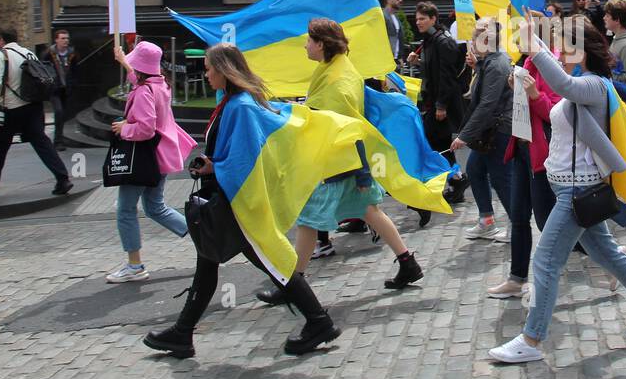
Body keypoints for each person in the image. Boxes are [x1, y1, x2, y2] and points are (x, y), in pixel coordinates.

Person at [488, 22, 626, 364]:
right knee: (607, 255)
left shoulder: (592, 85)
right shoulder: (583, 84)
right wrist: (535, 43)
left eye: (564, 46)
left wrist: (534, 46)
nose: (558, 52)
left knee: (545, 262)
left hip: (578, 189)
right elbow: (555, 95)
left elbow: (562, 84)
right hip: (569, 186)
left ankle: (531, 340)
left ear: (581, 51)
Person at [144, 44, 342, 358]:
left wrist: (215, 166)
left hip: (239, 204)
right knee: (209, 262)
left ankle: (319, 321)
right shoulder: (234, 103)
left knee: (271, 261)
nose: (206, 74)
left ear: (224, 69)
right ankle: (182, 333)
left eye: (209, 68)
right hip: (229, 201)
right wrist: (214, 163)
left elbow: (246, 160)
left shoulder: (241, 106)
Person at [259, 19, 423, 296]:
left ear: (321, 44)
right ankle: (408, 263)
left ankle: (292, 285)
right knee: (369, 211)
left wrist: (362, 172)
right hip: (341, 162)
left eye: (309, 40)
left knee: (310, 219)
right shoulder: (332, 69)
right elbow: (322, 112)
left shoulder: (337, 79)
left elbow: (347, 125)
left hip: (337, 164)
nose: (305, 45)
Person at [105, 41, 197, 283]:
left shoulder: (144, 90)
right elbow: (140, 80)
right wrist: (124, 61)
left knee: (126, 209)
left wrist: (125, 127)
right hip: (159, 158)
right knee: (156, 207)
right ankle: (204, 236)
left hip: (143, 160)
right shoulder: (159, 84)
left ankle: (135, 266)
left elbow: (145, 129)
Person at [0, 28, 72, 200]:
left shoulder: (0, 55)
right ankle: (62, 178)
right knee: (42, 143)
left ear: (0, 40)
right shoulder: (28, 53)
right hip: (33, 107)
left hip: (10, 109)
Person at [489, 54, 560, 299]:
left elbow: (554, 114)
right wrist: (515, 89)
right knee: (518, 216)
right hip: (520, 148)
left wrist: (532, 94)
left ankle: (610, 258)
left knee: (548, 223)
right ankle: (517, 279)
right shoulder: (526, 64)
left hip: (539, 154)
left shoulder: (553, 67)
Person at [453, 17, 515, 240]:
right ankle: (487, 220)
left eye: (477, 33)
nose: (471, 36)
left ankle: (516, 226)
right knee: (476, 171)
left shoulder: (497, 64)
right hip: (489, 132)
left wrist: (464, 136)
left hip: (498, 131)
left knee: (501, 179)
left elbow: (487, 104)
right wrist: (477, 66)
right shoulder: (489, 61)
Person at [409, 2, 468, 208]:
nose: (418, 23)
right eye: (416, 19)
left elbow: (447, 77)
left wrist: (441, 105)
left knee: (435, 143)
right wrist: (417, 62)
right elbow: (432, 70)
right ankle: (457, 180)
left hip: (442, 104)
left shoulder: (443, 42)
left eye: (422, 19)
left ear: (434, 18)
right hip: (432, 101)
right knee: (439, 143)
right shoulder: (430, 40)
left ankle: (452, 181)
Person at [47, 29, 78, 149]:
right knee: (59, 111)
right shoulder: (49, 54)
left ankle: (59, 137)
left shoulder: (72, 54)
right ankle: (57, 141)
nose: (66, 41)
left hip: (66, 89)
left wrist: (73, 84)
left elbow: (75, 70)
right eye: (63, 38)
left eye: (67, 38)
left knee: (63, 114)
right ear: (56, 40)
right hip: (54, 89)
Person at [382, 0, 405, 64]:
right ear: (388, 0)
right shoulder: (382, 16)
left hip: (396, 59)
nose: (400, 1)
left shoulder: (396, 17)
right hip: (386, 59)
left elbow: (398, 38)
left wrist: (400, 57)